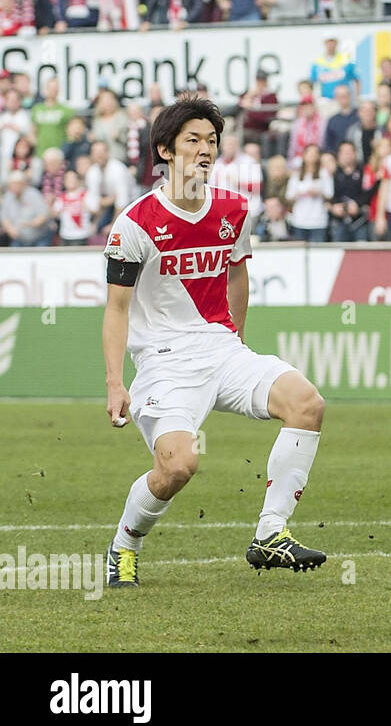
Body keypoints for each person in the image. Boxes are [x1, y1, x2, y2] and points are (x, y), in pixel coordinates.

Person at [101, 94, 327, 588]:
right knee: (178, 466)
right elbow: (116, 309)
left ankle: (270, 533)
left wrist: (236, 338)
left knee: (307, 404)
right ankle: (125, 543)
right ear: (165, 150)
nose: (205, 150)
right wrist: (116, 382)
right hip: (164, 362)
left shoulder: (234, 208)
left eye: (211, 141)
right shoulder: (135, 224)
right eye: (193, 141)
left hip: (222, 350)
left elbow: (237, 273)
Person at [1, 171, 51, 247]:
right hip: (19, 239)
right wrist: (10, 229)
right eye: (12, 184)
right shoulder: (8, 197)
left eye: (16, 184)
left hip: (39, 237)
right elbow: (4, 217)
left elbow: (43, 215)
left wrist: (30, 223)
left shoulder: (34, 194)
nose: (14, 187)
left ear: (23, 184)